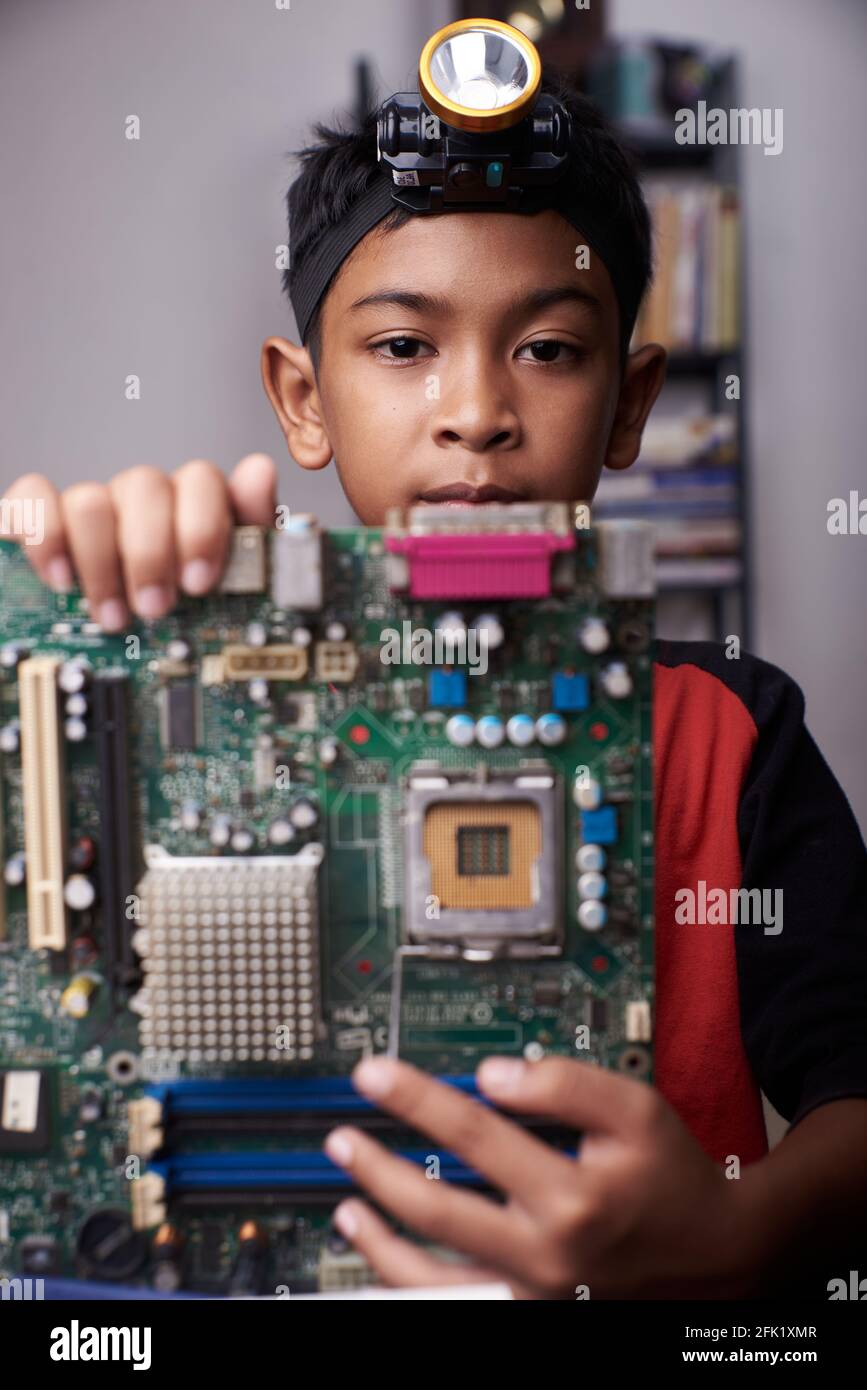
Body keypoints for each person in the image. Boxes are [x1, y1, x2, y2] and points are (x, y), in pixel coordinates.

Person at [5, 73, 866, 1300]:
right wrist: (83, 631)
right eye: (404, 346)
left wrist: (737, 1237)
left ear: (627, 404)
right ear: (305, 400)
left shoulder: (736, 729)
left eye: (550, 349)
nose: (477, 414)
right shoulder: (147, 683)